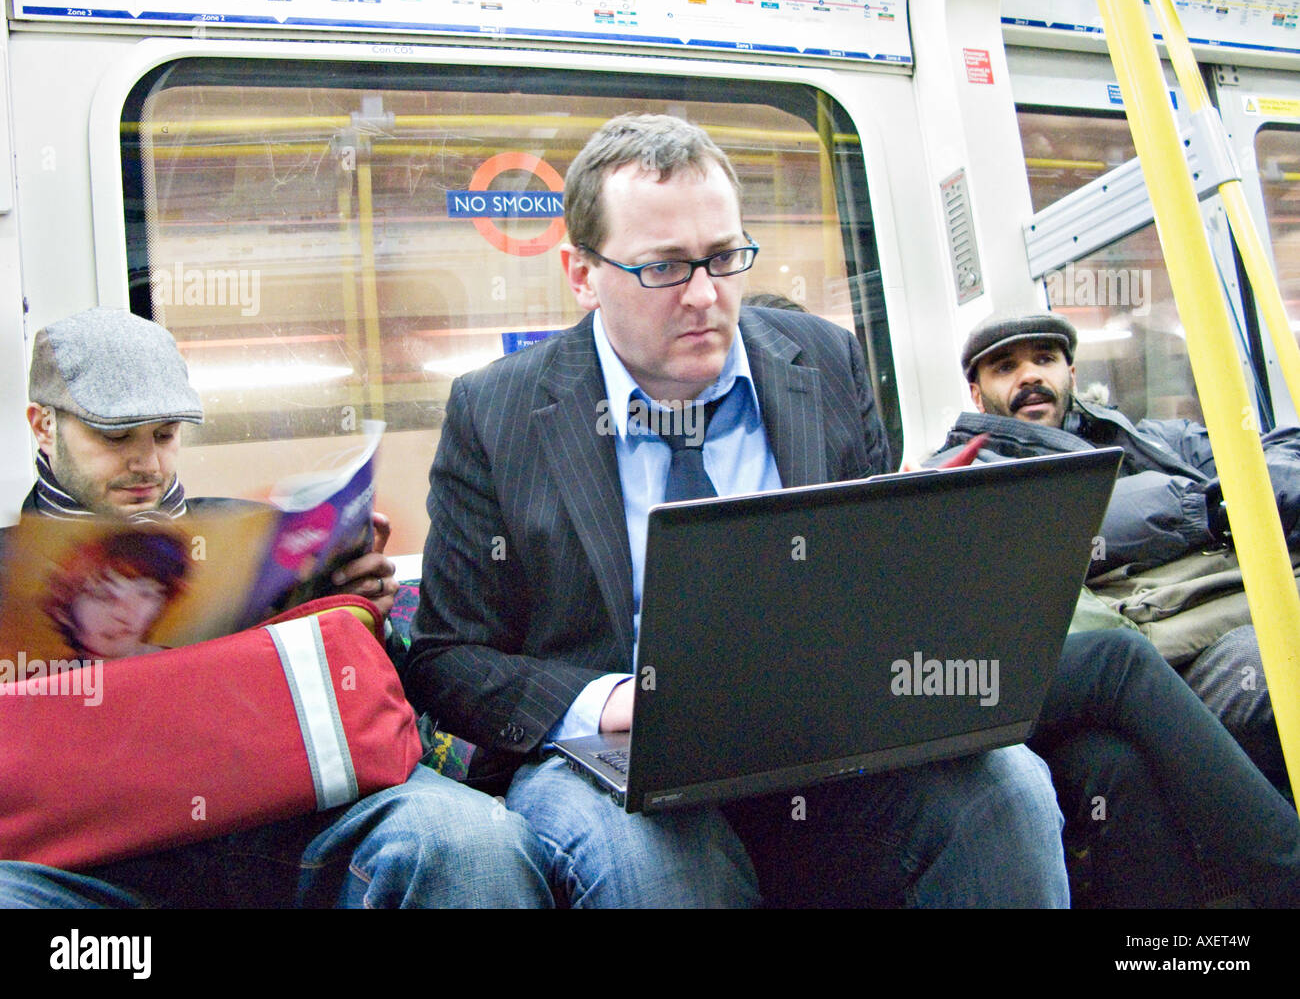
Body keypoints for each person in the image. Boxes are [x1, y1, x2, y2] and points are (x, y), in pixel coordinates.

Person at [405, 113, 1071, 908]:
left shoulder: (822, 361)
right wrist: (618, 701)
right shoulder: (499, 412)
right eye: (664, 269)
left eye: (724, 258)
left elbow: (876, 571)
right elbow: (449, 656)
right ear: (581, 274)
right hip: (604, 751)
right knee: (653, 865)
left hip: (815, 737)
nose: (704, 297)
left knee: (1009, 790)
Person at [0, 306, 551, 909]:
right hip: (89, 864)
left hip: (278, 829)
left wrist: (358, 613)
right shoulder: (11, 574)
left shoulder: (250, 539)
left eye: (164, 435)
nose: (148, 465)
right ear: (42, 425)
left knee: (469, 839)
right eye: (115, 438)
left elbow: (365, 710)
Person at [931, 311, 1294, 789]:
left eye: (1045, 359)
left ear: (1072, 374)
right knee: (1275, 670)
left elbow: (1280, 450)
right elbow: (1044, 525)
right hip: (1163, 665)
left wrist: (1231, 495)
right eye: (1004, 367)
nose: (1031, 376)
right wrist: (1199, 505)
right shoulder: (965, 474)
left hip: (1237, 606)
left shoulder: (1151, 439)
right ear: (976, 394)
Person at [43, 528, 190, 660]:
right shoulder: (44, 684)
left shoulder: (183, 669)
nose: (124, 614)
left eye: (146, 594)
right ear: (63, 611)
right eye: (102, 595)